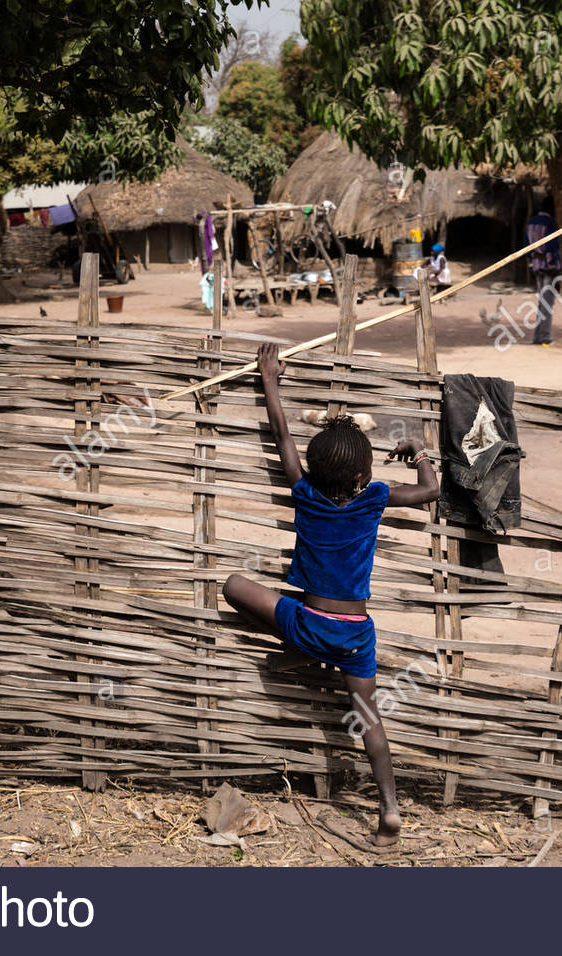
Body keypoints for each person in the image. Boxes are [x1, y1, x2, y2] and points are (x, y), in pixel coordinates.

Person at [222, 343, 440, 848]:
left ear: (316, 471)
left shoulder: (304, 491)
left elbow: (281, 434)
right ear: (364, 474)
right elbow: (430, 492)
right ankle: (388, 812)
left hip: (308, 623)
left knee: (234, 586)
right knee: (369, 719)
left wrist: (269, 378)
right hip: (355, 636)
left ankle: (297, 649)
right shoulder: (375, 497)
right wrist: (418, 451)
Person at [525, 196, 561, 345]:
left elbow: (526, 246)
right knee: (547, 303)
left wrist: (534, 256)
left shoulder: (530, 222)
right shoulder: (551, 223)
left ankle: (537, 336)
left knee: (542, 302)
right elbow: (553, 245)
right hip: (549, 268)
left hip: (536, 266)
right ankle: (544, 336)